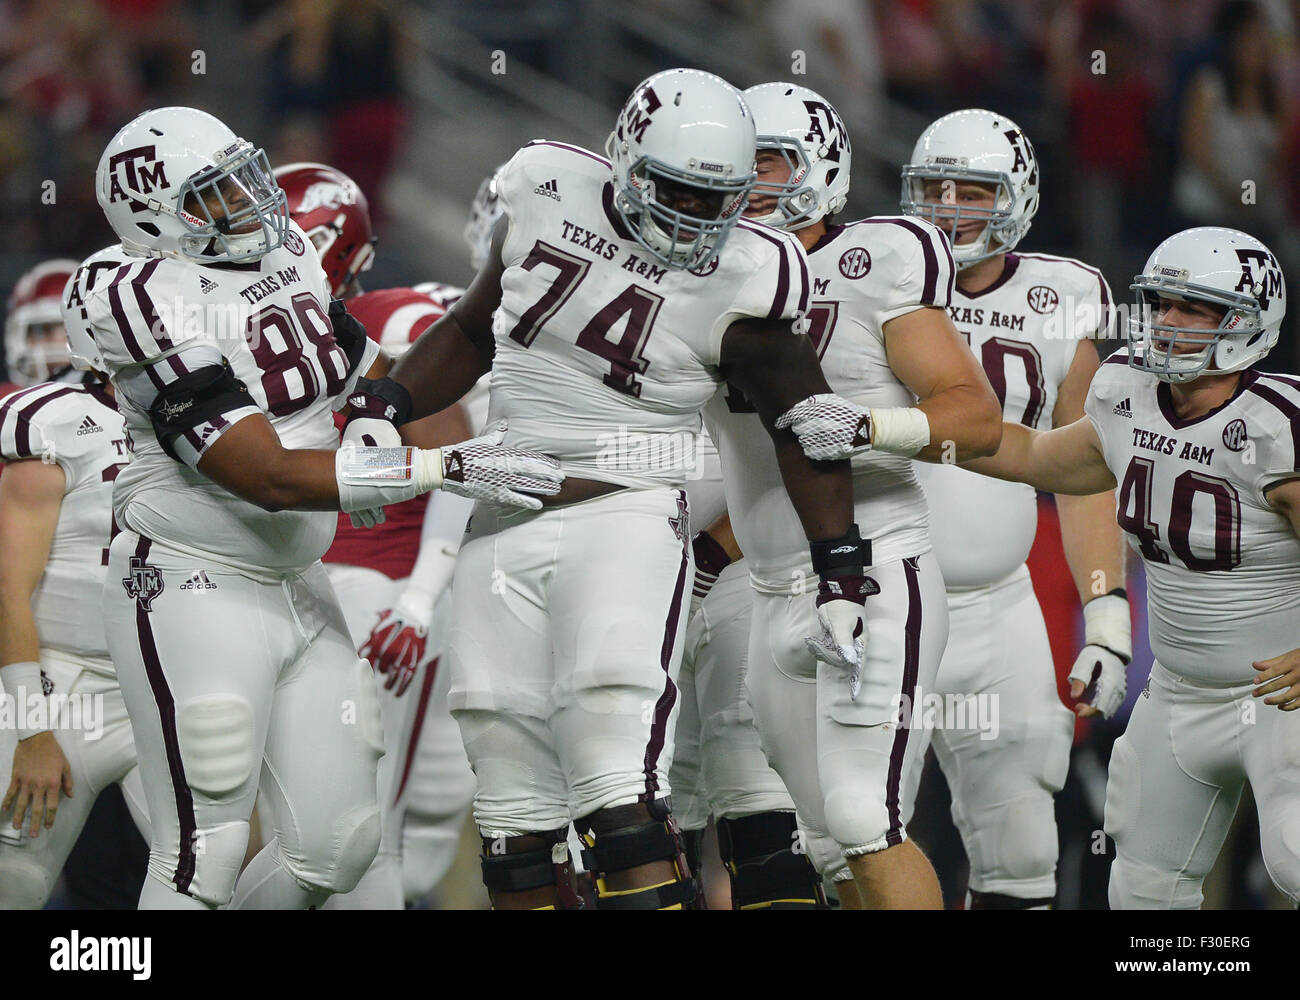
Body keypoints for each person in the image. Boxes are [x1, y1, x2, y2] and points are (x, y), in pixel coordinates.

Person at [344, 68, 874, 910]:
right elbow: (477, 326)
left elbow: (804, 423)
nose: (699, 217)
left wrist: (841, 565)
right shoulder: (545, 188)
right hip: (502, 508)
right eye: (679, 192)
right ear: (625, 160)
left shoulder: (753, 269)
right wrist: (386, 402)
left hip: (628, 512)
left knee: (618, 796)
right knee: (513, 821)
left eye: (718, 199)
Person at [84, 106, 562, 910]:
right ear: (152, 220)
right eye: (214, 193)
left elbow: (355, 364)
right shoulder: (139, 298)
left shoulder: (285, 256)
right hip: (192, 582)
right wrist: (438, 466)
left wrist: (386, 406)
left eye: (242, 174)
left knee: (337, 849)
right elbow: (262, 474)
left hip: (298, 578)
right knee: (205, 849)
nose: (248, 199)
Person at [702, 82, 1001, 910]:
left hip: (877, 566)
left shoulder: (875, 263)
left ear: (820, 166)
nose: (748, 182)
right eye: (733, 165)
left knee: (865, 816)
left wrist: (867, 428)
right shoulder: (704, 277)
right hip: (767, 587)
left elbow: (972, 416)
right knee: (831, 848)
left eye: (766, 160)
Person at [962, 226, 1300, 908]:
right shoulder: (1126, 395)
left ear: (1248, 320)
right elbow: (1032, 456)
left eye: (1193, 308)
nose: (1169, 322)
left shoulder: (1277, 427)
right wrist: (898, 431)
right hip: (1176, 695)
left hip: (1282, 700)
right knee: (1142, 894)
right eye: (1162, 304)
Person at [897, 107, 1128, 908]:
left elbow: (1084, 469)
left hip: (1000, 602)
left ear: (1019, 196)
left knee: (1023, 845)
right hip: (878, 597)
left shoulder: (1064, 296)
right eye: (935, 187)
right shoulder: (870, 273)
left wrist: (1105, 613)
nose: (952, 206)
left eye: (974, 189)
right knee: (855, 834)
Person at [274, 160, 478, 908]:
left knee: (378, 817)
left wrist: (422, 596)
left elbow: (457, 464)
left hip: (381, 589)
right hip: (289, 592)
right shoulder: (232, 328)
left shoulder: (381, 332)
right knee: (302, 813)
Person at [0, 251, 149, 909]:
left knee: (216, 873)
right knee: (20, 877)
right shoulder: (49, 422)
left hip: (169, 681)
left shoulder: (222, 418)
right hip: (59, 677)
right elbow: (10, 586)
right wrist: (32, 727)